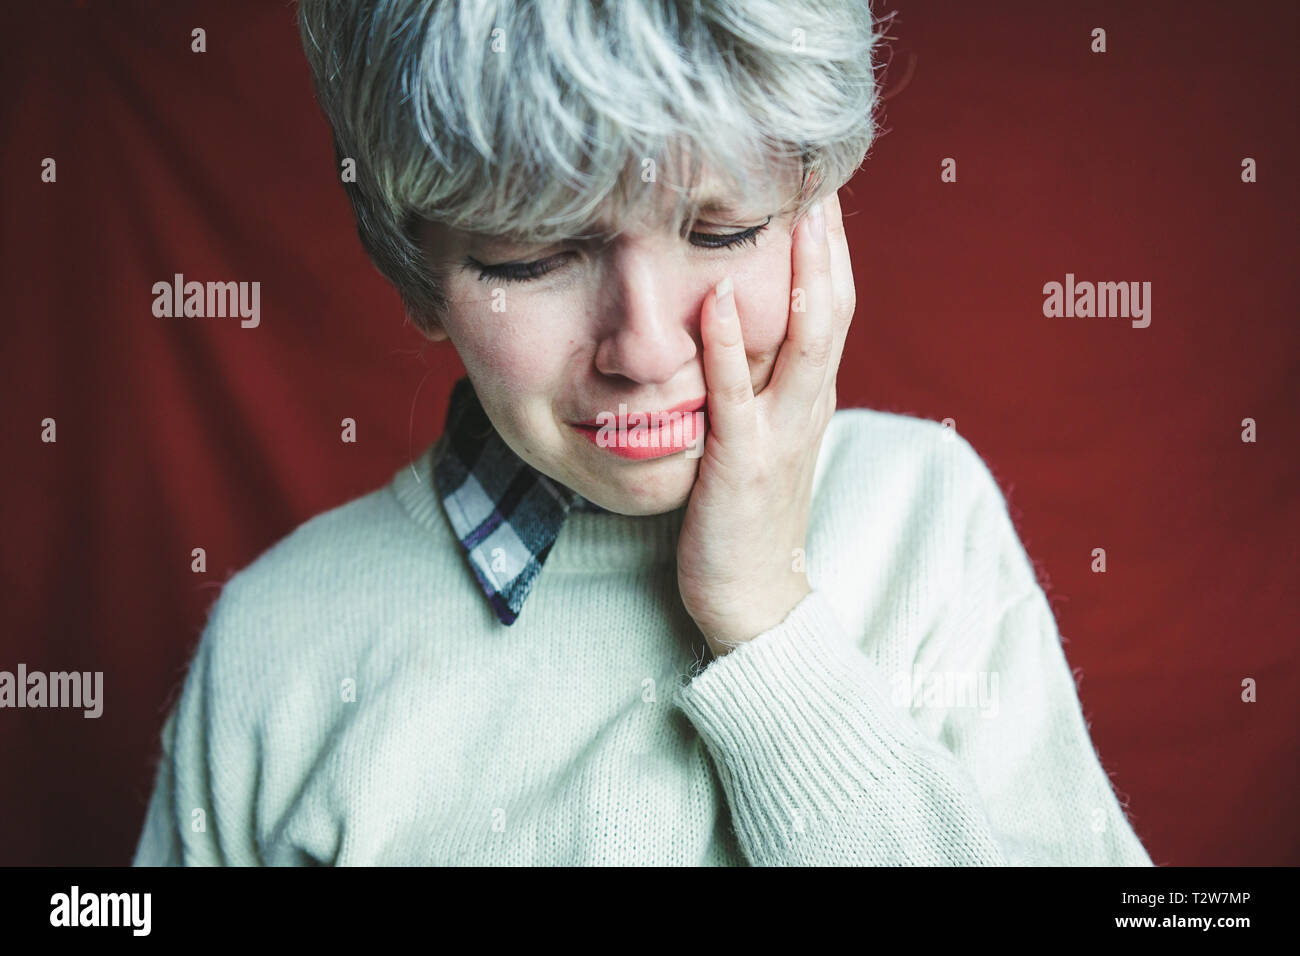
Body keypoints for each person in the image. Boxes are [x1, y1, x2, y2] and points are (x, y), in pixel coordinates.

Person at [131, 0, 1153, 866]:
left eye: (722, 231)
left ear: (817, 210)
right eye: (530, 255)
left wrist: (766, 621)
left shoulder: (928, 517)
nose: (646, 346)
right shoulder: (276, 649)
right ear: (418, 270)